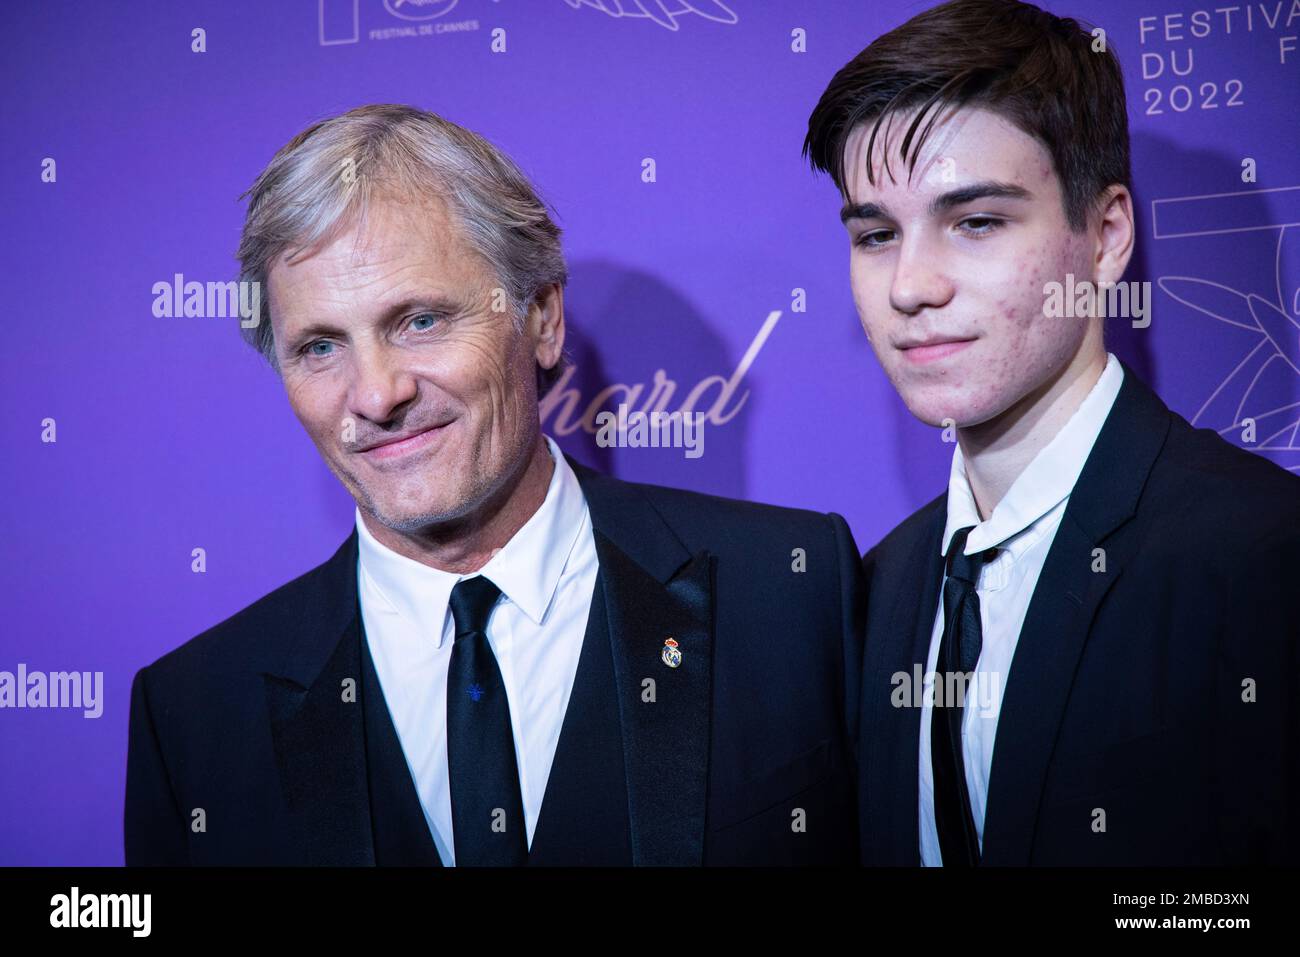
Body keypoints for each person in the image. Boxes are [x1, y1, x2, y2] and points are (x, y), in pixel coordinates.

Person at [125, 103, 864, 866]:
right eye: (319, 346)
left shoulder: (793, 590)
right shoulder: (194, 716)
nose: (377, 395)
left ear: (542, 317)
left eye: (419, 321)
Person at [804, 0, 1299, 865]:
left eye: (977, 222)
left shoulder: (1265, 556)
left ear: (1106, 237)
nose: (911, 286)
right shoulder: (877, 591)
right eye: (876, 234)